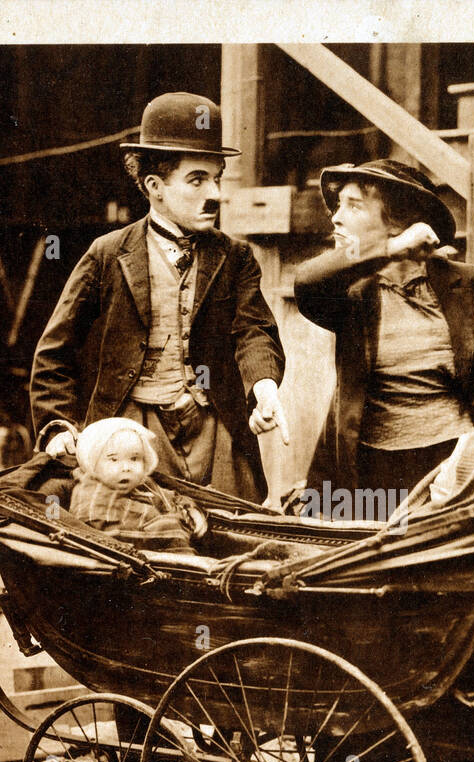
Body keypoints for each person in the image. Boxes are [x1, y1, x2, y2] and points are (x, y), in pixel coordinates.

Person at [31, 92, 289, 504]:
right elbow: (55, 351)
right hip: (133, 430)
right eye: (197, 180)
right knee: (136, 528)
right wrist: (58, 425)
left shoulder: (235, 256)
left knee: (234, 526)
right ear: (155, 187)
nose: (215, 193)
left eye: (217, 178)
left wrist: (264, 387)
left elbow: (253, 330)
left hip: (215, 427)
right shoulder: (108, 254)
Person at [294, 159, 474, 516]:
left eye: (354, 206)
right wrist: (389, 250)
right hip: (370, 473)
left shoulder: (471, 285)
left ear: (399, 221)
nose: (337, 218)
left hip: (457, 468)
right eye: (338, 205)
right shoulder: (349, 294)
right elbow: (306, 280)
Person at [68, 417, 200, 552]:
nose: (126, 467)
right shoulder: (93, 498)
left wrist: (190, 510)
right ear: (93, 464)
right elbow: (116, 536)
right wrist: (175, 522)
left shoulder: (142, 483)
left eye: (134, 458)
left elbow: (172, 497)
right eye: (113, 459)